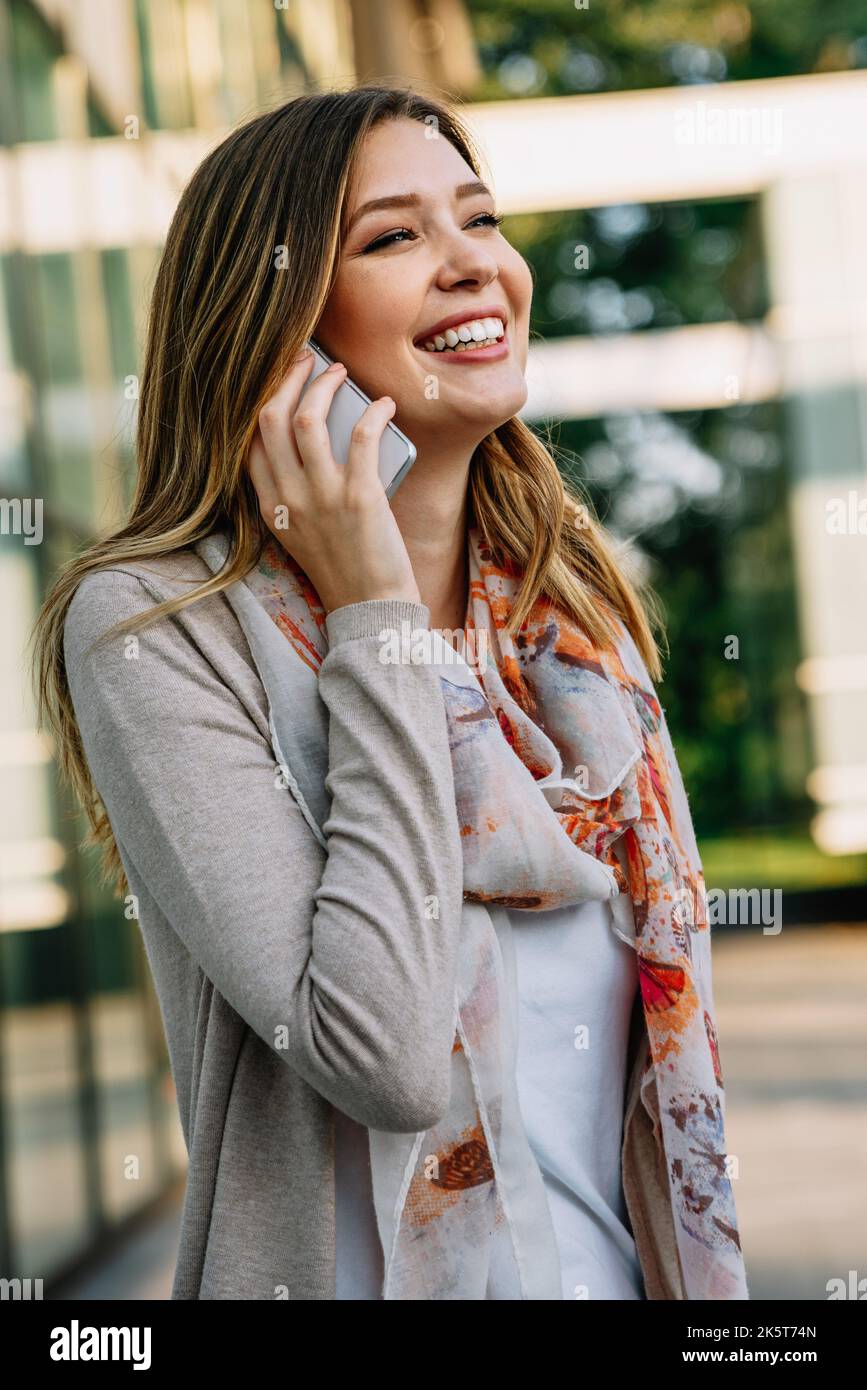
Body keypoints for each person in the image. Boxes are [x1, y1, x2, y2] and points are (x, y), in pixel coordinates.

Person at [30, 82, 747, 1300]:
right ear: (280, 331)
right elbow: (385, 1055)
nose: (473, 265)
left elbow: (656, 1109)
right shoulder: (159, 629)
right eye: (395, 237)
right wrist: (373, 618)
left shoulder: (573, 630)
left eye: (480, 220)